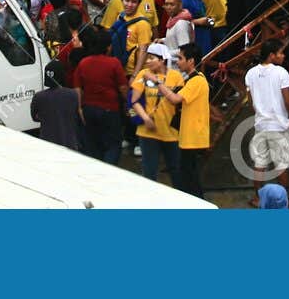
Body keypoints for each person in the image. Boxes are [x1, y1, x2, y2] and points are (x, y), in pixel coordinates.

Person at [155, 41, 212, 197]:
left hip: (193, 137)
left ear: (191, 61)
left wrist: (158, 83)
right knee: (188, 176)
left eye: (180, 58)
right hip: (190, 136)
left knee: (190, 179)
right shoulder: (195, 79)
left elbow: (175, 99)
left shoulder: (196, 81)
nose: (177, 62)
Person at [70, 25, 128, 165]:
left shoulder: (83, 63)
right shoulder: (114, 63)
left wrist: (80, 108)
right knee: (113, 145)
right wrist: (128, 104)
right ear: (108, 47)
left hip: (89, 109)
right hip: (110, 110)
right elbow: (123, 87)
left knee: (92, 145)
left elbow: (77, 88)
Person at [244, 38, 289, 188]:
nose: (283, 56)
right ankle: (282, 198)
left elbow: (251, 102)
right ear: (272, 55)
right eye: (280, 53)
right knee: (282, 164)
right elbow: (288, 100)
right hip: (278, 126)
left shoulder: (250, 74)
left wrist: (261, 113)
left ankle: (258, 197)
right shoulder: (281, 72)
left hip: (260, 125)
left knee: (259, 164)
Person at [129, 41, 184, 184]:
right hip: (147, 132)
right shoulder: (143, 74)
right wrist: (146, 118)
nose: (147, 61)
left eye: (151, 58)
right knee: (149, 172)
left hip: (170, 131)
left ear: (162, 60)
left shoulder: (176, 77)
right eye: (147, 58)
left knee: (176, 170)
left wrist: (157, 82)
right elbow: (134, 100)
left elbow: (177, 101)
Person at [30, 63, 83, 152]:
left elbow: (34, 117)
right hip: (69, 143)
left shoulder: (38, 97)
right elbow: (77, 116)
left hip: (47, 143)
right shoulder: (73, 94)